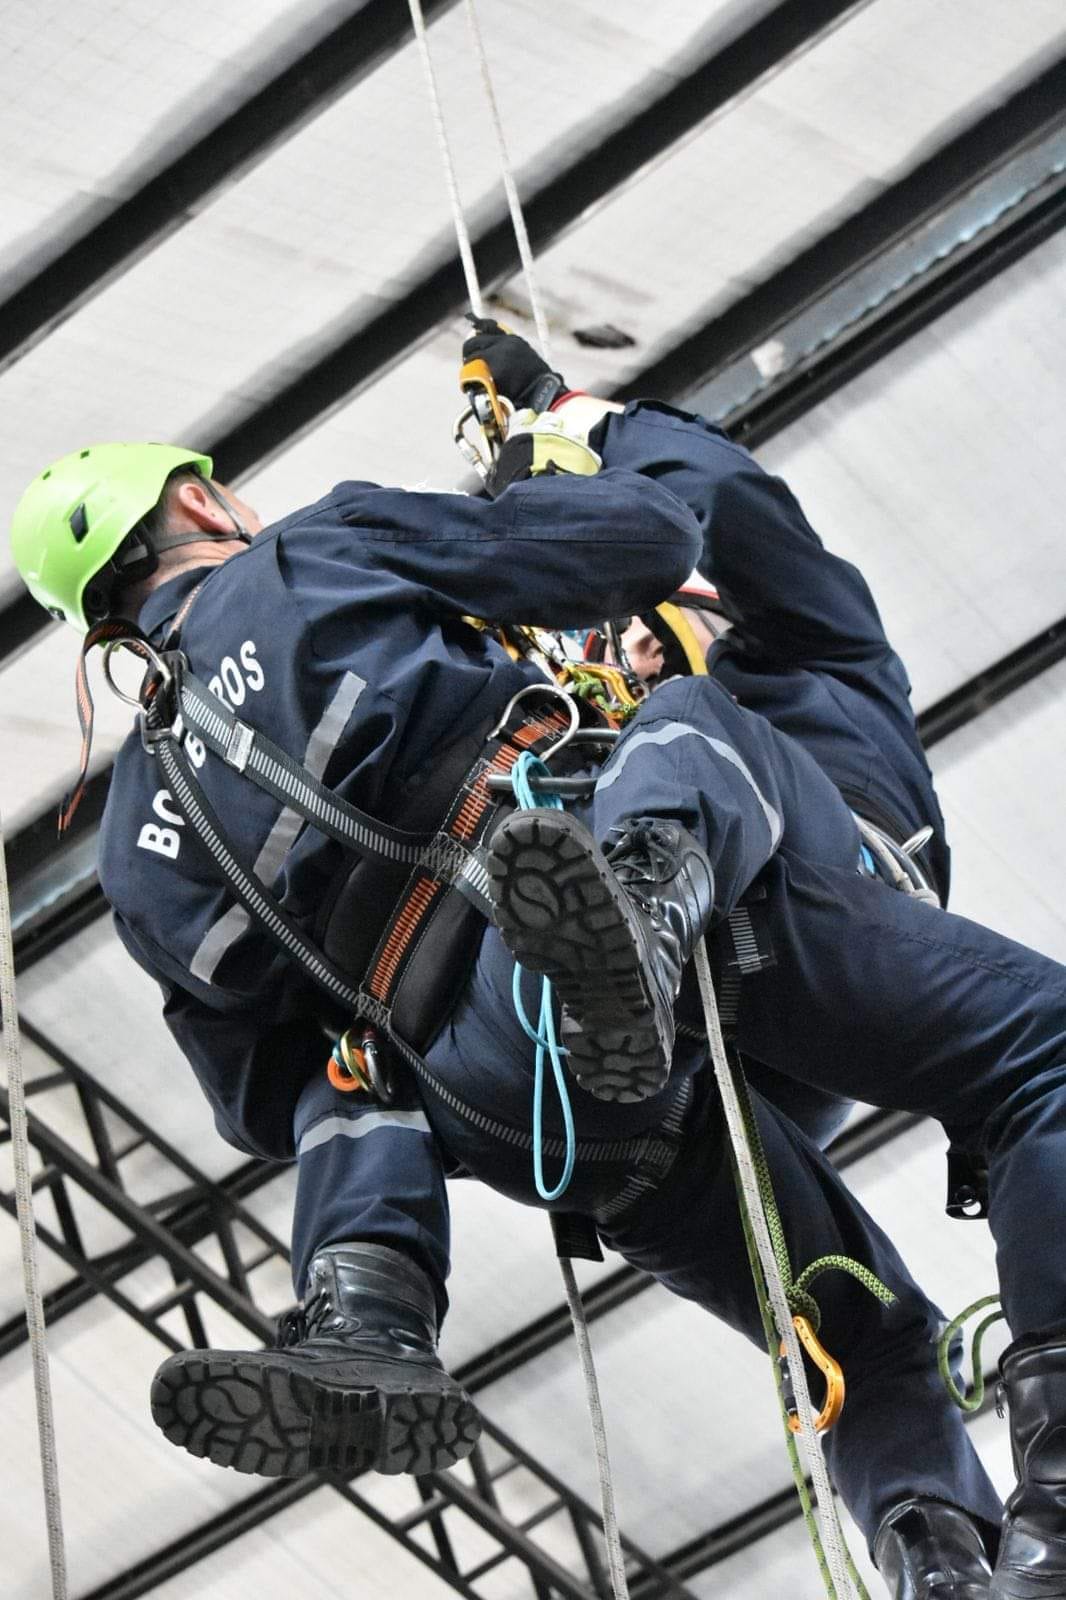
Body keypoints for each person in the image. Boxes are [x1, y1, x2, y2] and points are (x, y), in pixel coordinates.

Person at [11, 334, 1025, 1597]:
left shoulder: (133, 851)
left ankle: (369, 1309)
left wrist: (399, 1050)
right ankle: (638, 935)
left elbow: (256, 1099)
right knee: (685, 722)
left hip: (524, 1104)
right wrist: (552, 447)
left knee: (359, 1076)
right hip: (631, 925)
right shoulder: (311, 551)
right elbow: (649, 537)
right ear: (203, 505)